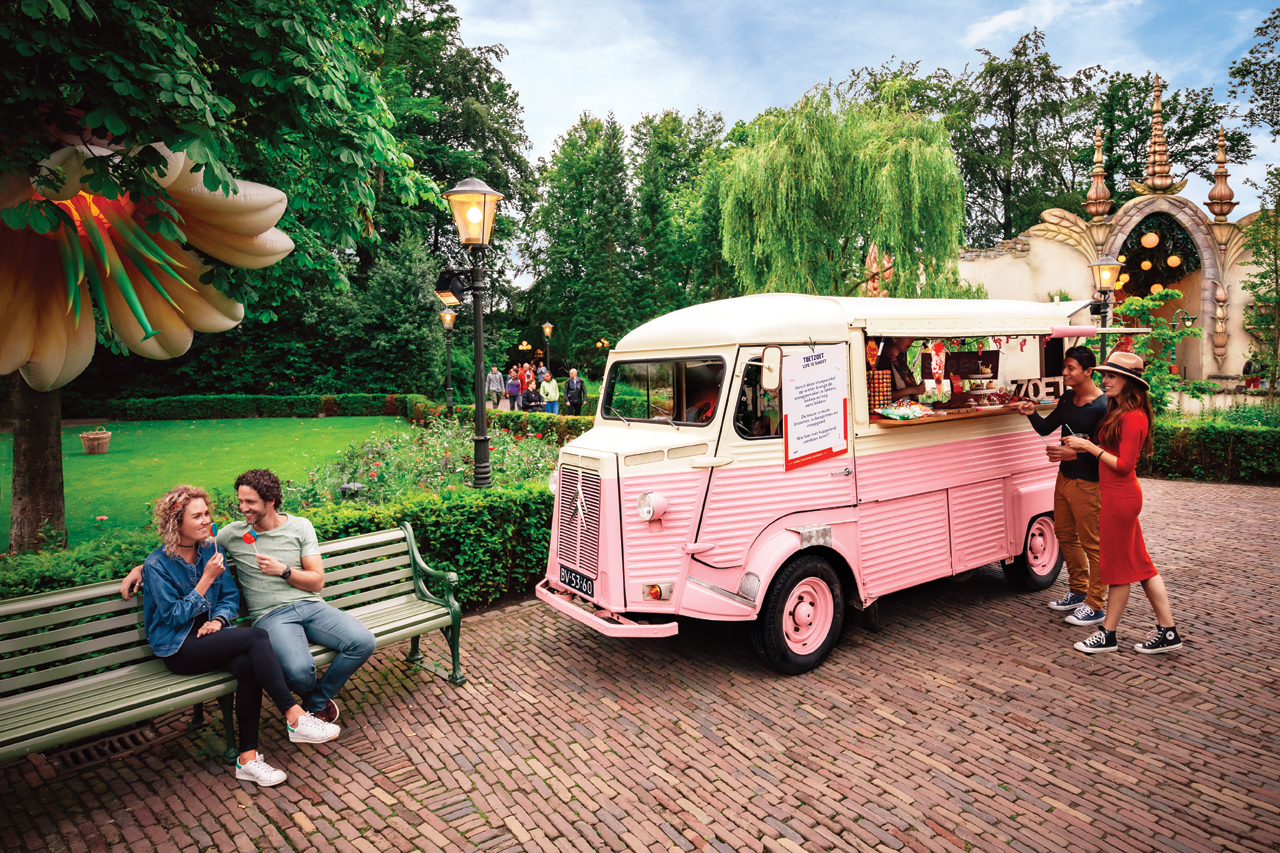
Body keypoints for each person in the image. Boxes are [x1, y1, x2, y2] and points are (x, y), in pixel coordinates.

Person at [124, 470, 376, 722]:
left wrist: (284, 570)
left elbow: (317, 582)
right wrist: (141, 568)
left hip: (311, 605)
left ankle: (316, 701)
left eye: (250, 502)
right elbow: (181, 545)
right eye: (240, 501)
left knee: (363, 642)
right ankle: (302, 708)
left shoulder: (301, 526)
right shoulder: (232, 534)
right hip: (272, 616)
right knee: (299, 673)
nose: (243, 508)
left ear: (271, 501)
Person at [140, 485, 340, 787]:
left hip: (213, 637)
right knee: (256, 637)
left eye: (206, 513)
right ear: (176, 523)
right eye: (197, 516)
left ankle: (247, 759)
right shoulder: (157, 565)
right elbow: (173, 616)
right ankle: (295, 715)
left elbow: (229, 597)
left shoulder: (211, 550)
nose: (206, 520)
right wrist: (205, 579)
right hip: (179, 646)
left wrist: (218, 620)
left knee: (248, 666)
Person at [1063, 353, 1183, 655]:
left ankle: (1108, 634)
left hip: (1120, 499)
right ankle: (1168, 631)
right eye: (1105, 375)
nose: (1104, 380)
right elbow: (1111, 452)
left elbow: (1125, 465)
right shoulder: (1121, 412)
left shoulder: (1133, 416)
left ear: (1129, 382)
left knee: (1117, 570)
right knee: (1142, 567)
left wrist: (1089, 447)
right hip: (1117, 496)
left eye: (1111, 376)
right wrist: (1080, 450)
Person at [1015, 345, 1108, 627]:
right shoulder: (1067, 398)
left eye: (1071, 368)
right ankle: (1078, 591)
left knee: (1093, 544)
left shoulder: (1103, 406)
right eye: (1064, 367)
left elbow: (1107, 452)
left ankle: (1096, 605)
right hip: (1064, 478)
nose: (1064, 372)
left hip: (1089, 483)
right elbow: (1046, 428)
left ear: (1088, 371)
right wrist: (1031, 412)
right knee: (1065, 536)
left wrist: (1073, 453)